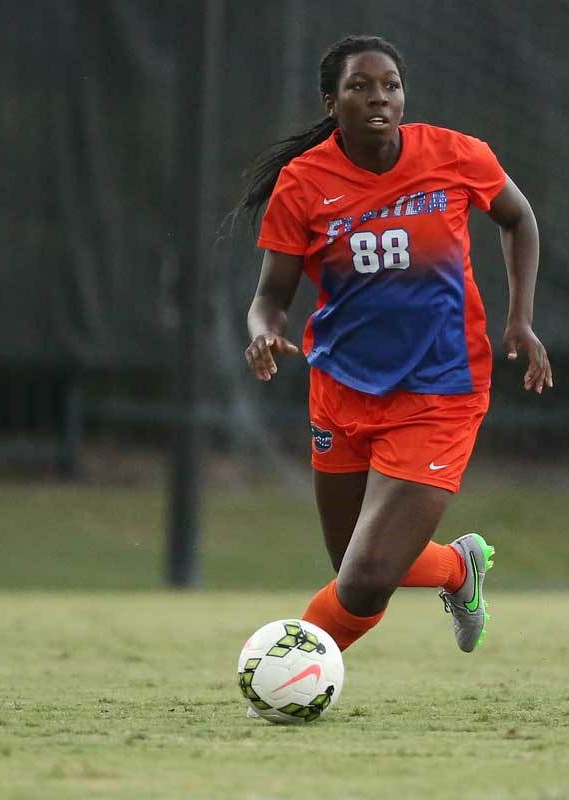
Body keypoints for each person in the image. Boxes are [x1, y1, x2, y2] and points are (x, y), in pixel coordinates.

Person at [228, 34, 552, 657]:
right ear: (332, 102)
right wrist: (264, 331)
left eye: (390, 86)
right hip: (341, 392)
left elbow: (518, 217)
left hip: (439, 390)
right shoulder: (303, 183)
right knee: (354, 562)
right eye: (360, 86)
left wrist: (521, 319)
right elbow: (269, 297)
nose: (379, 97)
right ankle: (458, 568)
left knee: (365, 580)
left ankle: (282, 678)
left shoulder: (455, 155)